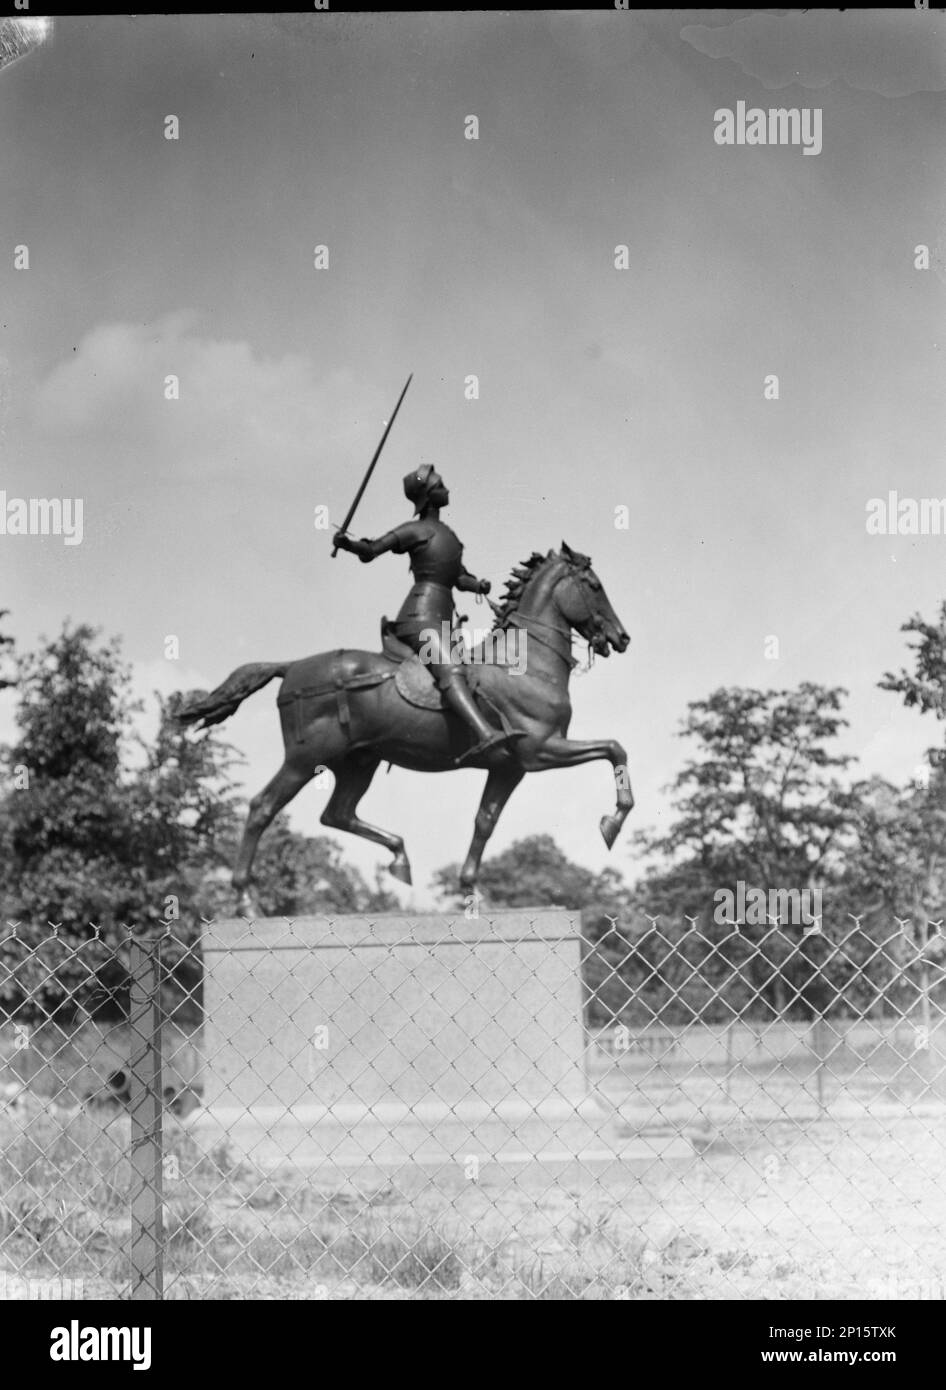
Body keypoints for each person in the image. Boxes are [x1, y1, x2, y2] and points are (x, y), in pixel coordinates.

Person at [334, 465, 525, 763]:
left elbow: (459, 577)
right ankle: (484, 734)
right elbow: (372, 549)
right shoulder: (414, 530)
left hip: (445, 620)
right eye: (441, 485)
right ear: (429, 495)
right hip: (420, 619)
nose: (447, 489)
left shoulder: (447, 535)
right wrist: (348, 544)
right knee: (451, 669)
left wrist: (478, 585)